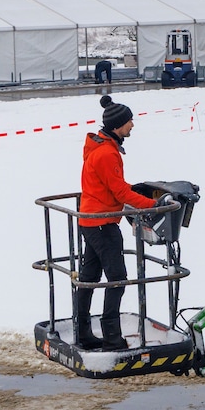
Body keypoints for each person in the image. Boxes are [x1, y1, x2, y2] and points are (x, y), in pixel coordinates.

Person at [75, 94, 158, 351]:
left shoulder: (101, 148)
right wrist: (155, 205)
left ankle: (84, 332)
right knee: (117, 278)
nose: (132, 124)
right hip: (102, 223)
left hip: (92, 220)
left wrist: (136, 191)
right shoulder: (107, 154)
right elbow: (120, 193)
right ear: (117, 126)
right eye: (129, 121)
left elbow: (112, 187)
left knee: (89, 276)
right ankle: (112, 337)